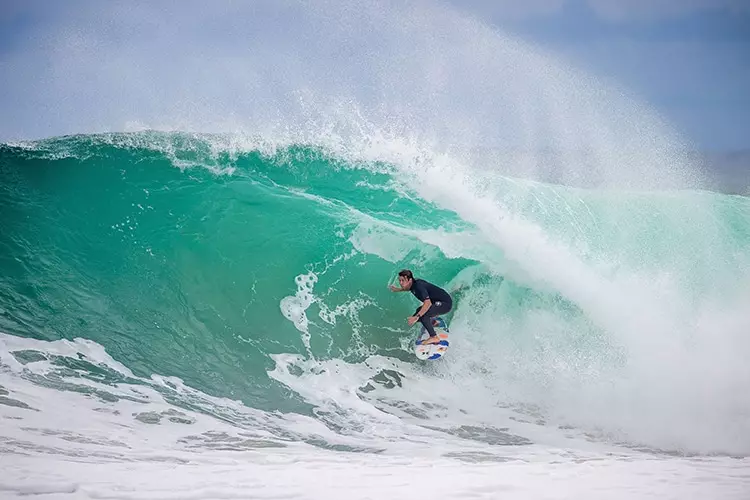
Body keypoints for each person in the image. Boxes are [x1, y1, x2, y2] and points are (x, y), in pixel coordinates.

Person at [389, 269, 452, 345]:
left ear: (410, 280)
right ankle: (433, 322)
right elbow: (408, 288)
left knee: (422, 315)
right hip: (436, 301)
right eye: (400, 280)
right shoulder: (413, 284)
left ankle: (434, 337)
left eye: (402, 280)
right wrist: (398, 290)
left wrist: (417, 316)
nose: (400, 283)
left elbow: (427, 303)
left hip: (445, 303)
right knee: (419, 311)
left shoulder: (418, 286)